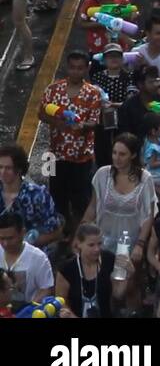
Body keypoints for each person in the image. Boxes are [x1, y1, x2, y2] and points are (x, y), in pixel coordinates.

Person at [40, 51, 103, 239]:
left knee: (80, 198)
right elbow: (41, 114)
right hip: (54, 154)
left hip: (81, 157)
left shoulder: (93, 93)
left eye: (80, 68)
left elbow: (95, 121)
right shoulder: (53, 89)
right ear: (67, 67)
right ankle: (61, 230)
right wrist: (59, 123)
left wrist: (82, 126)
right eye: (72, 67)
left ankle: (78, 235)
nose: (76, 72)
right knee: (56, 195)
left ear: (87, 68)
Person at [56, 224, 127, 318]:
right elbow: (60, 301)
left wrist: (127, 274)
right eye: (91, 245)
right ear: (79, 244)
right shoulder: (66, 269)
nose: (97, 249)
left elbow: (118, 294)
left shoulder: (109, 260)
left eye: (99, 244)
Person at [0, 144, 60, 249]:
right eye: (0, 167)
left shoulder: (37, 194)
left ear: (19, 169)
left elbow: (55, 232)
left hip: (31, 255)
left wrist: (25, 244)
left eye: (8, 168)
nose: (2, 172)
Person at [0, 212, 54, 308]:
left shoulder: (38, 258)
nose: (5, 243)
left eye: (10, 238)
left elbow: (46, 289)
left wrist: (29, 310)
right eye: (1, 238)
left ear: (23, 233)